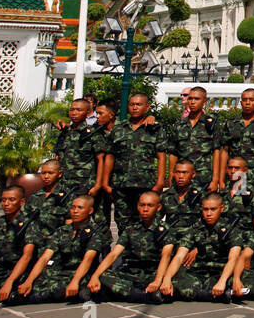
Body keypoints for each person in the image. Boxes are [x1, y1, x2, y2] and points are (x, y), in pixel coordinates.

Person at [10, 195, 109, 304]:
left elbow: (88, 260)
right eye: (73, 207)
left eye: (80, 208)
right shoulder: (62, 231)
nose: (75, 211)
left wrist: (75, 282)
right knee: (34, 281)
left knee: (57, 288)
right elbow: (45, 258)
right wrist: (29, 281)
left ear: (90, 211)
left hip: (83, 274)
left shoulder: (94, 232)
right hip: (62, 272)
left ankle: (29, 298)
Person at [87, 191, 176, 303]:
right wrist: (95, 276)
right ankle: (142, 296)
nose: (145, 209)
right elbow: (114, 254)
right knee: (102, 275)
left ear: (158, 208)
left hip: (154, 273)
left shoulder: (165, 230)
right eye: (142, 205)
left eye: (150, 205)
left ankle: (120, 293)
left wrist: (158, 281)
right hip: (132, 273)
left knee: (174, 281)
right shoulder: (131, 229)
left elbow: (166, 256)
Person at [164, 193, 249, 302]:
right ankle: (220, 294)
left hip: (222, 270)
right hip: (200, 270)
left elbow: (233, 258)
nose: (209, 213)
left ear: (222, 209)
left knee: (250, 283)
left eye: (213, 209)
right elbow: (180, 256)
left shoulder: (230, 229)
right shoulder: (196, 227)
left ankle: (218, 290)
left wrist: (222, 281)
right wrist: (167, 279)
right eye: (205, 209)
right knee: (177, 283)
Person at [106, 93, 170, 228]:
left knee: (146, 222)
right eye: (132, 104)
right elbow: (110, 156)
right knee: (123, 223)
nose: (135, 107)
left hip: (146, 184)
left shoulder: (155, 129)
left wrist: (160, 182)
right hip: (121, 184)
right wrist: (106, 183)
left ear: (147, 107)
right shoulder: (118, 129)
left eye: (139, 104)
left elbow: (161, 156)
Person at [51, 98, 108, 213]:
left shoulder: (93, 133)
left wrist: (97, 185)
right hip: (64, 184)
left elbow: (101, 159)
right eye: (72, 109)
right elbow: (57, 158)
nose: (74, 113)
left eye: (79, 110)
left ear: (87, 113)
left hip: (84, 185)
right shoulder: (65, 133)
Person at [173, 86, 222, 193]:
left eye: (196, 99)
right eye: (190, 98)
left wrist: (215, 180)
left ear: (204, 102)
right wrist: (172, 177)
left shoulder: (211, 124)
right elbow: (173, 153)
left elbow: (216, 152)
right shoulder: (179, 125)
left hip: (204, 178)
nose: (192, 102)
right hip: (183, 177)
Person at [22, 159, 73, 236]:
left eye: (50, 173)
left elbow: (69, 222)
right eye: (43, 173)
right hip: (34, 240)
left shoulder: (67, 196)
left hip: (56, 241)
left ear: (59, 174)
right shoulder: (35, 196)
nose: (46, 176)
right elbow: (25, 219)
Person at [222, 155, 254, 232]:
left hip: (245, 239)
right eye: (230, 168)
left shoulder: (253, 195)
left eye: (237, 168)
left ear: (245, 171)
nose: (233, 171)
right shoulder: (221, 194)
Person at [160, 159, 204, 232]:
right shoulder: (165, 195)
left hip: (193, 236)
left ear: (193, 174)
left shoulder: (201, 196)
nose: (180, 176)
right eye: (178, 172)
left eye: (185, 173)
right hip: (170, 236)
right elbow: (156, 218)